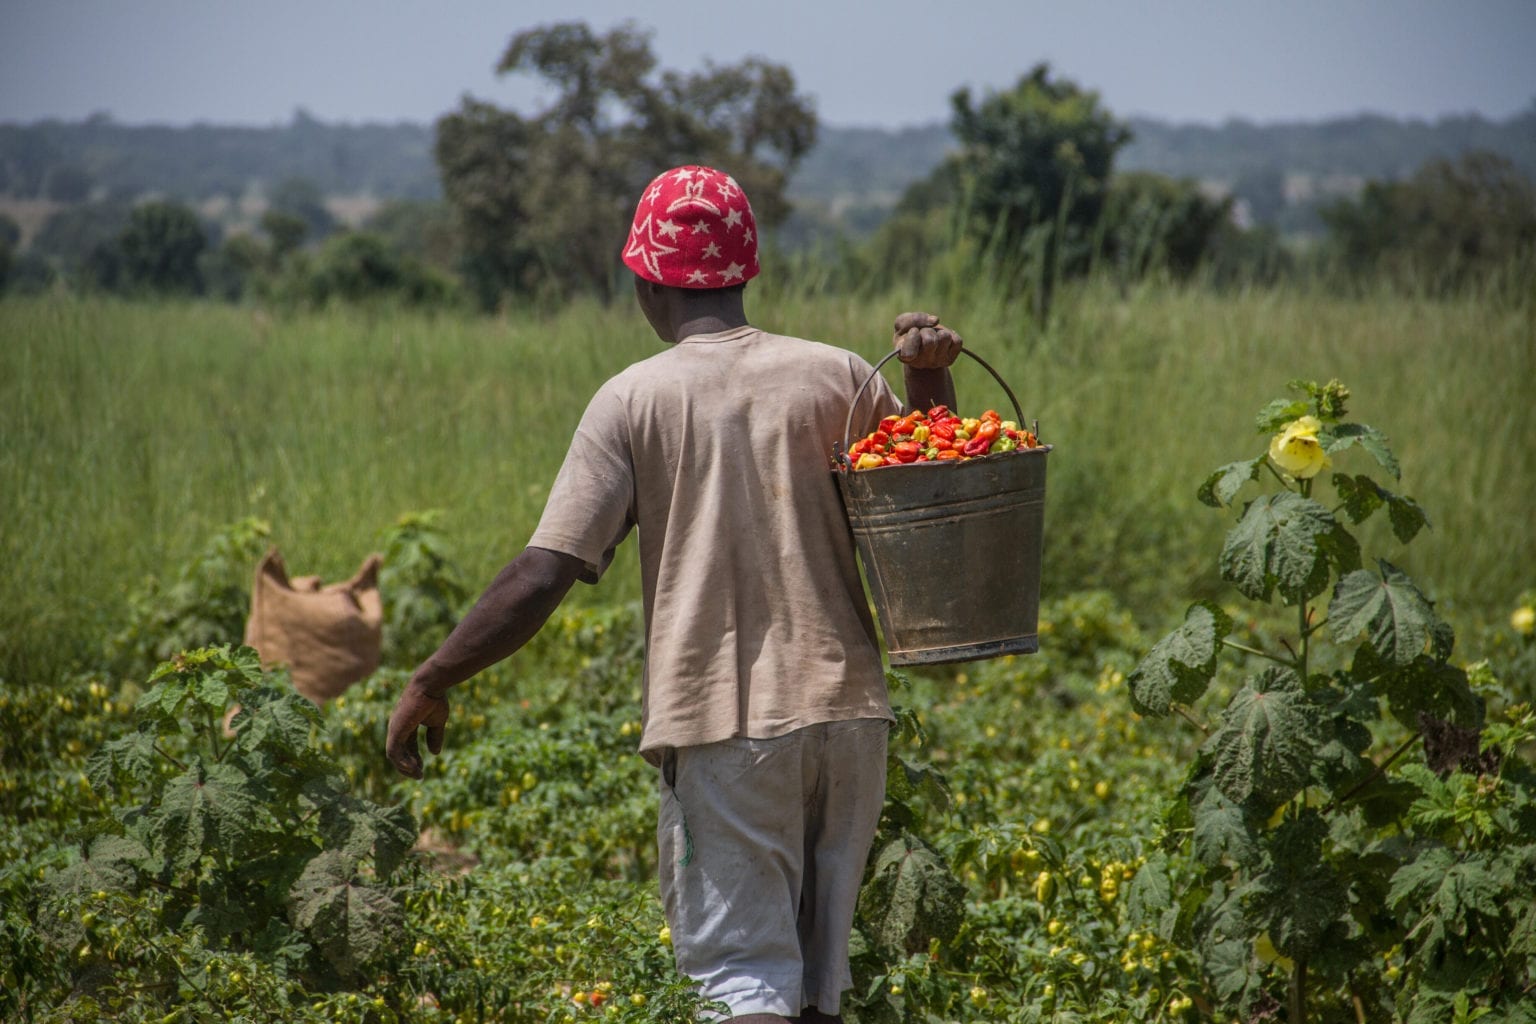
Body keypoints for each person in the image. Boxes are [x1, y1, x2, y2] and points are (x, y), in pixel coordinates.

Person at [385, 164, 961, 1022]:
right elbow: (933, 492)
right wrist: (928, 379)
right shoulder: (836, 375)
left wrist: (432, 678)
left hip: (729, 726)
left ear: (646, 281)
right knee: (814, 985)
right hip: (850, 715)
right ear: (744, 271)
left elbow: (545, 571)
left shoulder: (634, 399)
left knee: (741, 978)